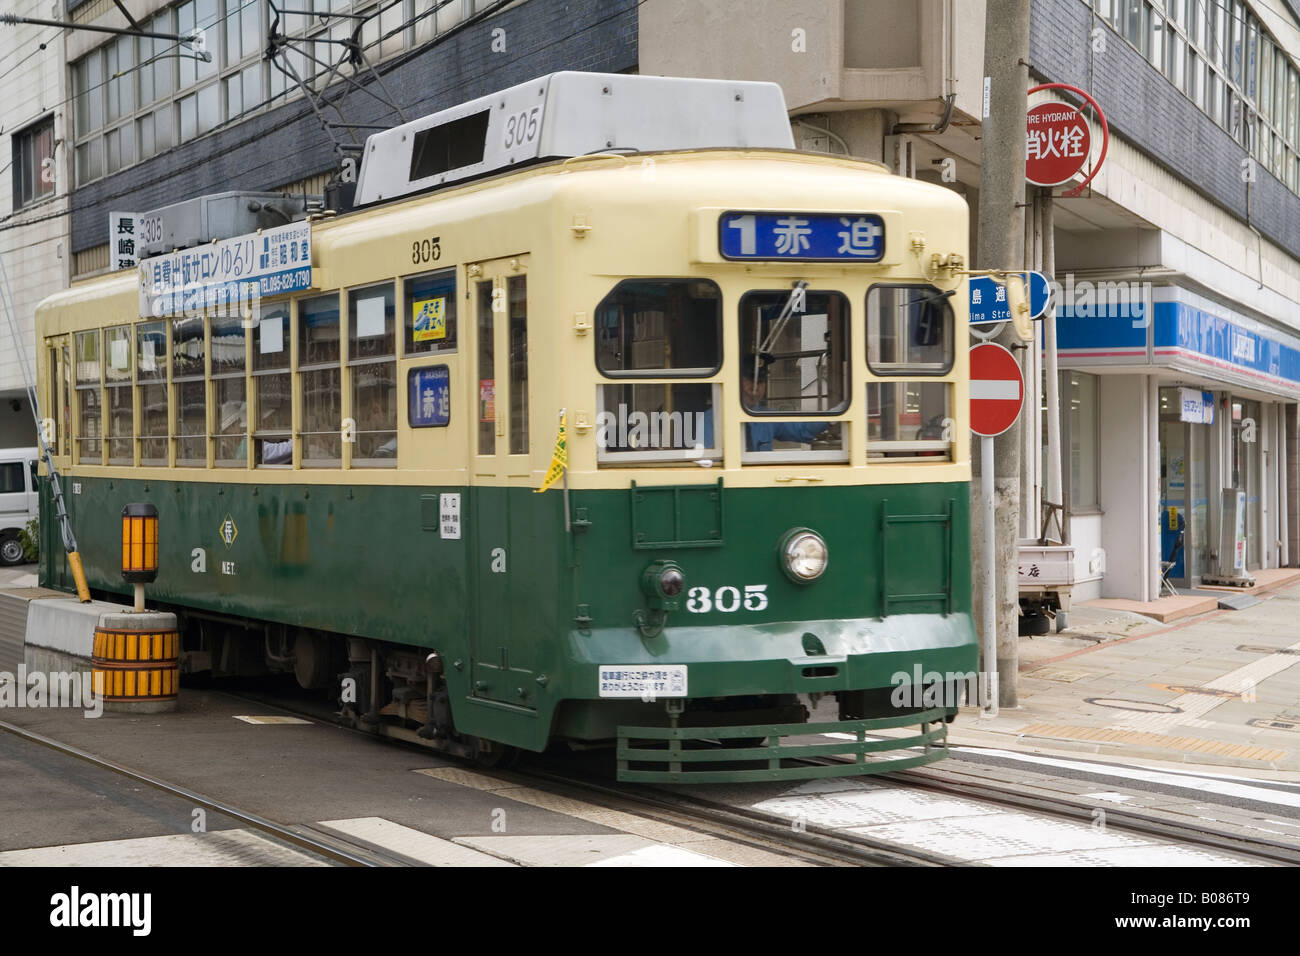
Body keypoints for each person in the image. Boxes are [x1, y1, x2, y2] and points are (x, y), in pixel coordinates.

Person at [740, 362, 831, 451]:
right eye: (749, 380)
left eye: (760, 382)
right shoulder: (726, 415)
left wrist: (833, 416)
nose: (755, 388)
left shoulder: (767, 417)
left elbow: (802, 430)